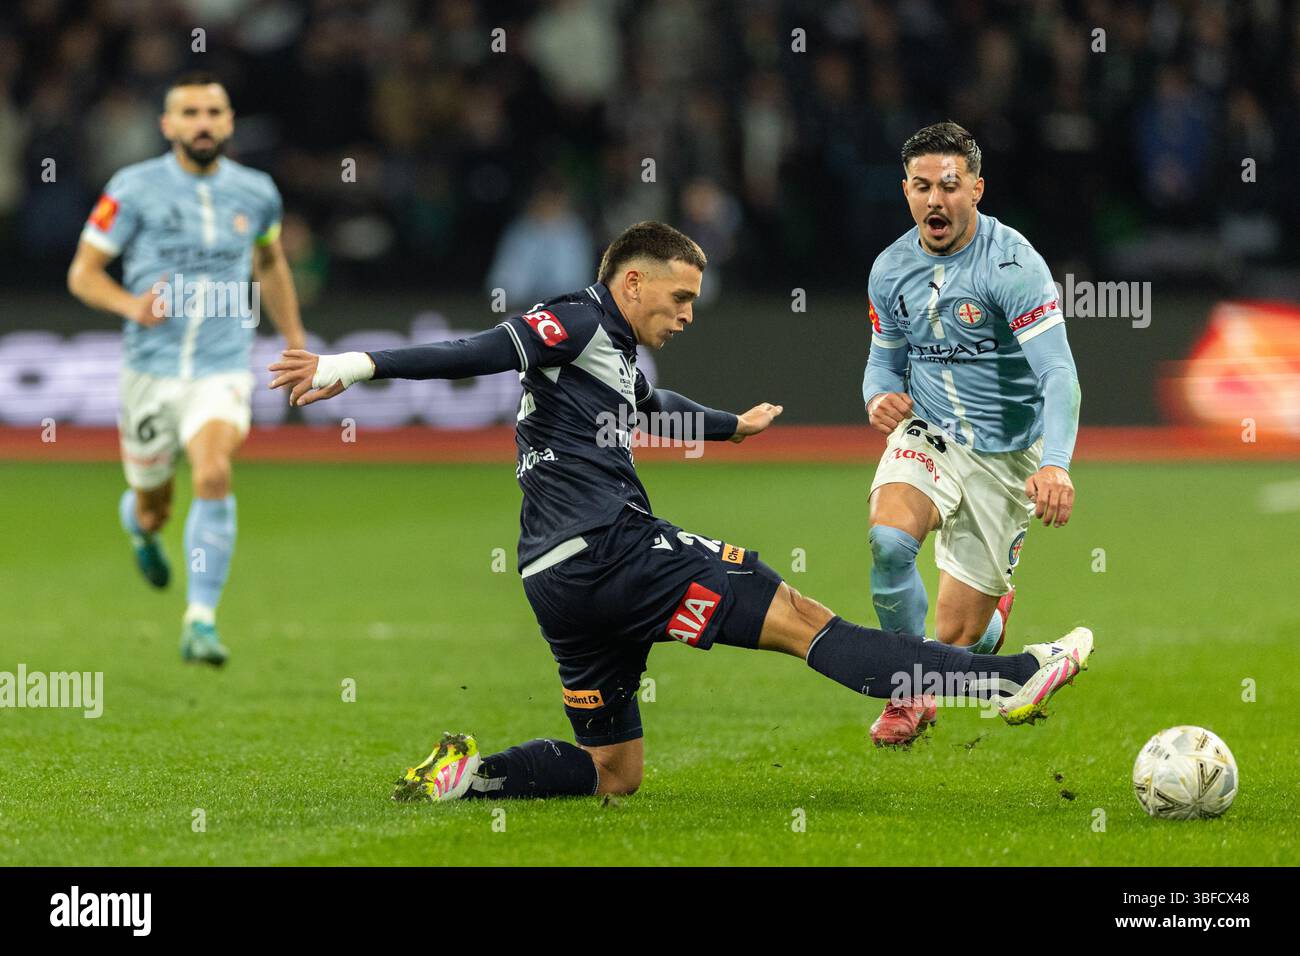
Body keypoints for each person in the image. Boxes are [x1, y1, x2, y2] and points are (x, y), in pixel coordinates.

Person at [268, 220, 1091, 801]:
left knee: (614, 773)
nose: (689, 314)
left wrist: (730, 427)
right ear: (632, 281)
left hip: (555, 583)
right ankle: (1014, 678)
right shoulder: (581, 316)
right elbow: (480, 349)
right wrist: (358, 363)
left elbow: (650, 401)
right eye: (680, 296)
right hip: (615, 551)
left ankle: (468, 777)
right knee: (806, 620)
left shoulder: (613, 355)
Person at [67, 72, 307, 665]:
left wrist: (298, 344)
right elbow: (83, 272)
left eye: (214, 112)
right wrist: (131, 306)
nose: (203, 122)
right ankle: (141, 528)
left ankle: (200, 619)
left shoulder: (257, 193)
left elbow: (271, 262)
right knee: (156, 505)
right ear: (168, 125)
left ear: (229, 122)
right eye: (191, 113)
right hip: (150, 372)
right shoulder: (133, 187)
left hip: (221, 368)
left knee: (213, 473)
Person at [862, 122, 1082, 745]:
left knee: (959, 636)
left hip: (1006, 455)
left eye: (951, 186)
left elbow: (1059, 373)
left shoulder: (1013, 265)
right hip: (928, 431)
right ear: (906, 191)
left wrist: (1057, 463)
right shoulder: (889, 269)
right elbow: (883, 360)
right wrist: (878, 396)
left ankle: (986, 626)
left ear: (977, 189)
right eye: (923, 186)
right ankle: (905, 694)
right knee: (888, 541)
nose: (936, 200)